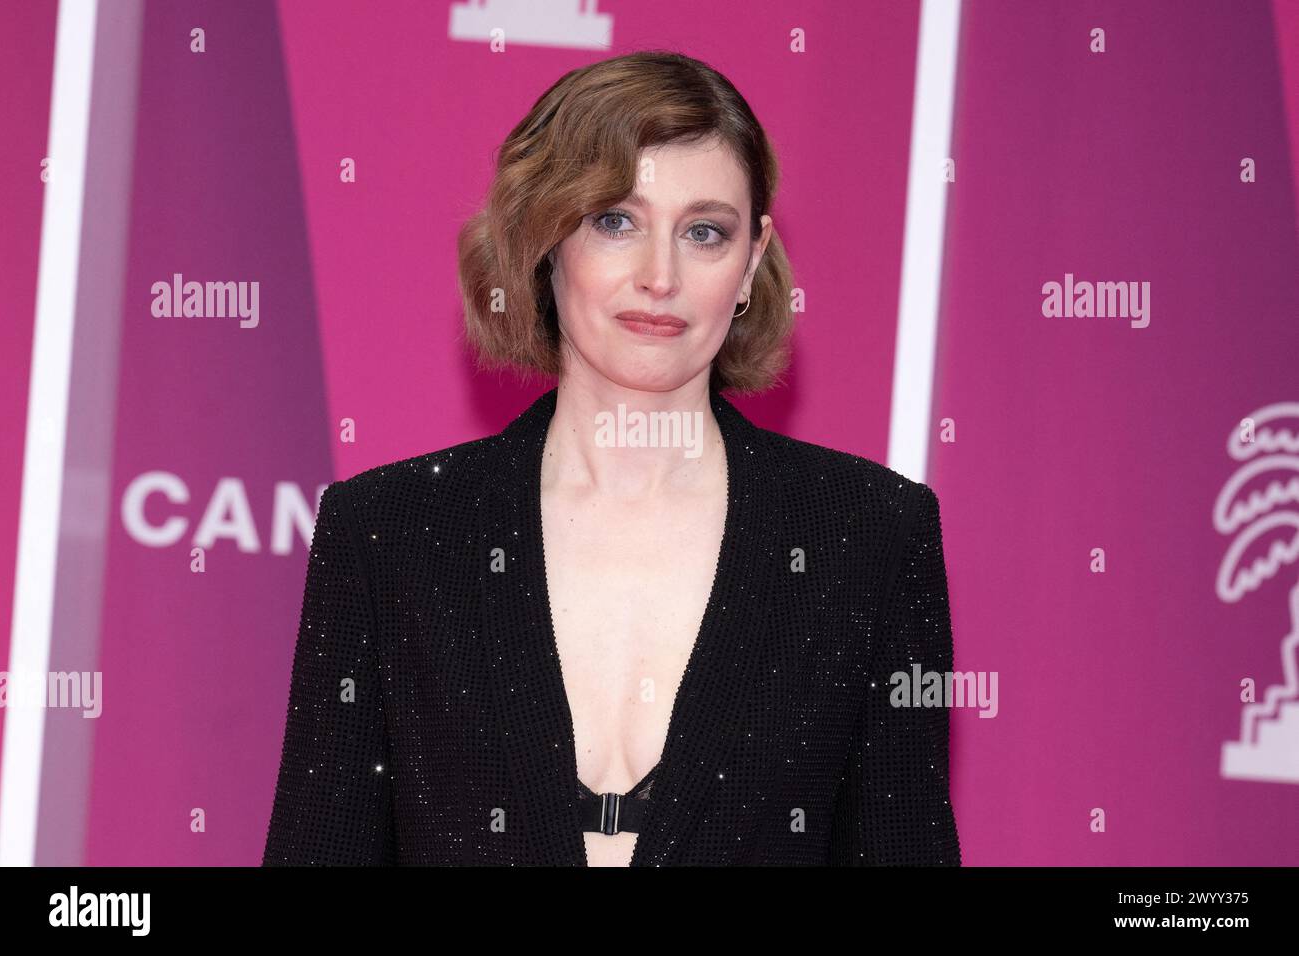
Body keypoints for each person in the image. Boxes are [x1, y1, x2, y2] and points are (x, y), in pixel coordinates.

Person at [263, 49, 960, 867]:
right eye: (615, 221)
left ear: (751, 261)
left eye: (705, 232)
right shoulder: (390, 535)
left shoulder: (867, 537)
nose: (659, 277)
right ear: (542, 238)